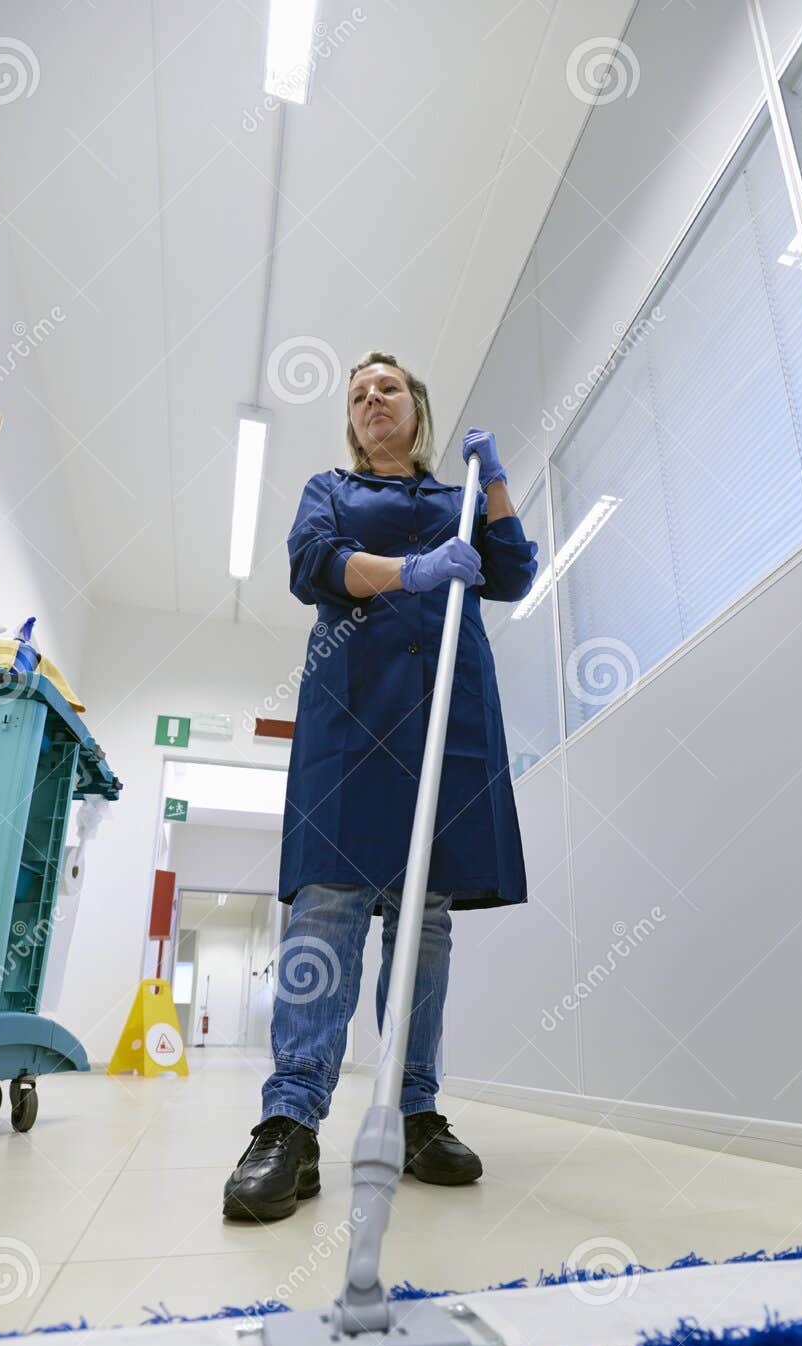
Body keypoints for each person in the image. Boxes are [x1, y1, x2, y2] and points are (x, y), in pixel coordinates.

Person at [223, 350, 538, 1223]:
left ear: (417, 408)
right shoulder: (328, 489)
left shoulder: (458, 498)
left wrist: (495, 480)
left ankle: (413, 1112)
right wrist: (413, 572)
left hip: (448, 716)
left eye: (387, 388)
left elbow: (513, 573)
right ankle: (291, 1122)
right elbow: (313, 566)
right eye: (359, 393)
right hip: (354, 714)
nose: (371, 400)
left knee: (424, 917)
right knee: (327, 906)